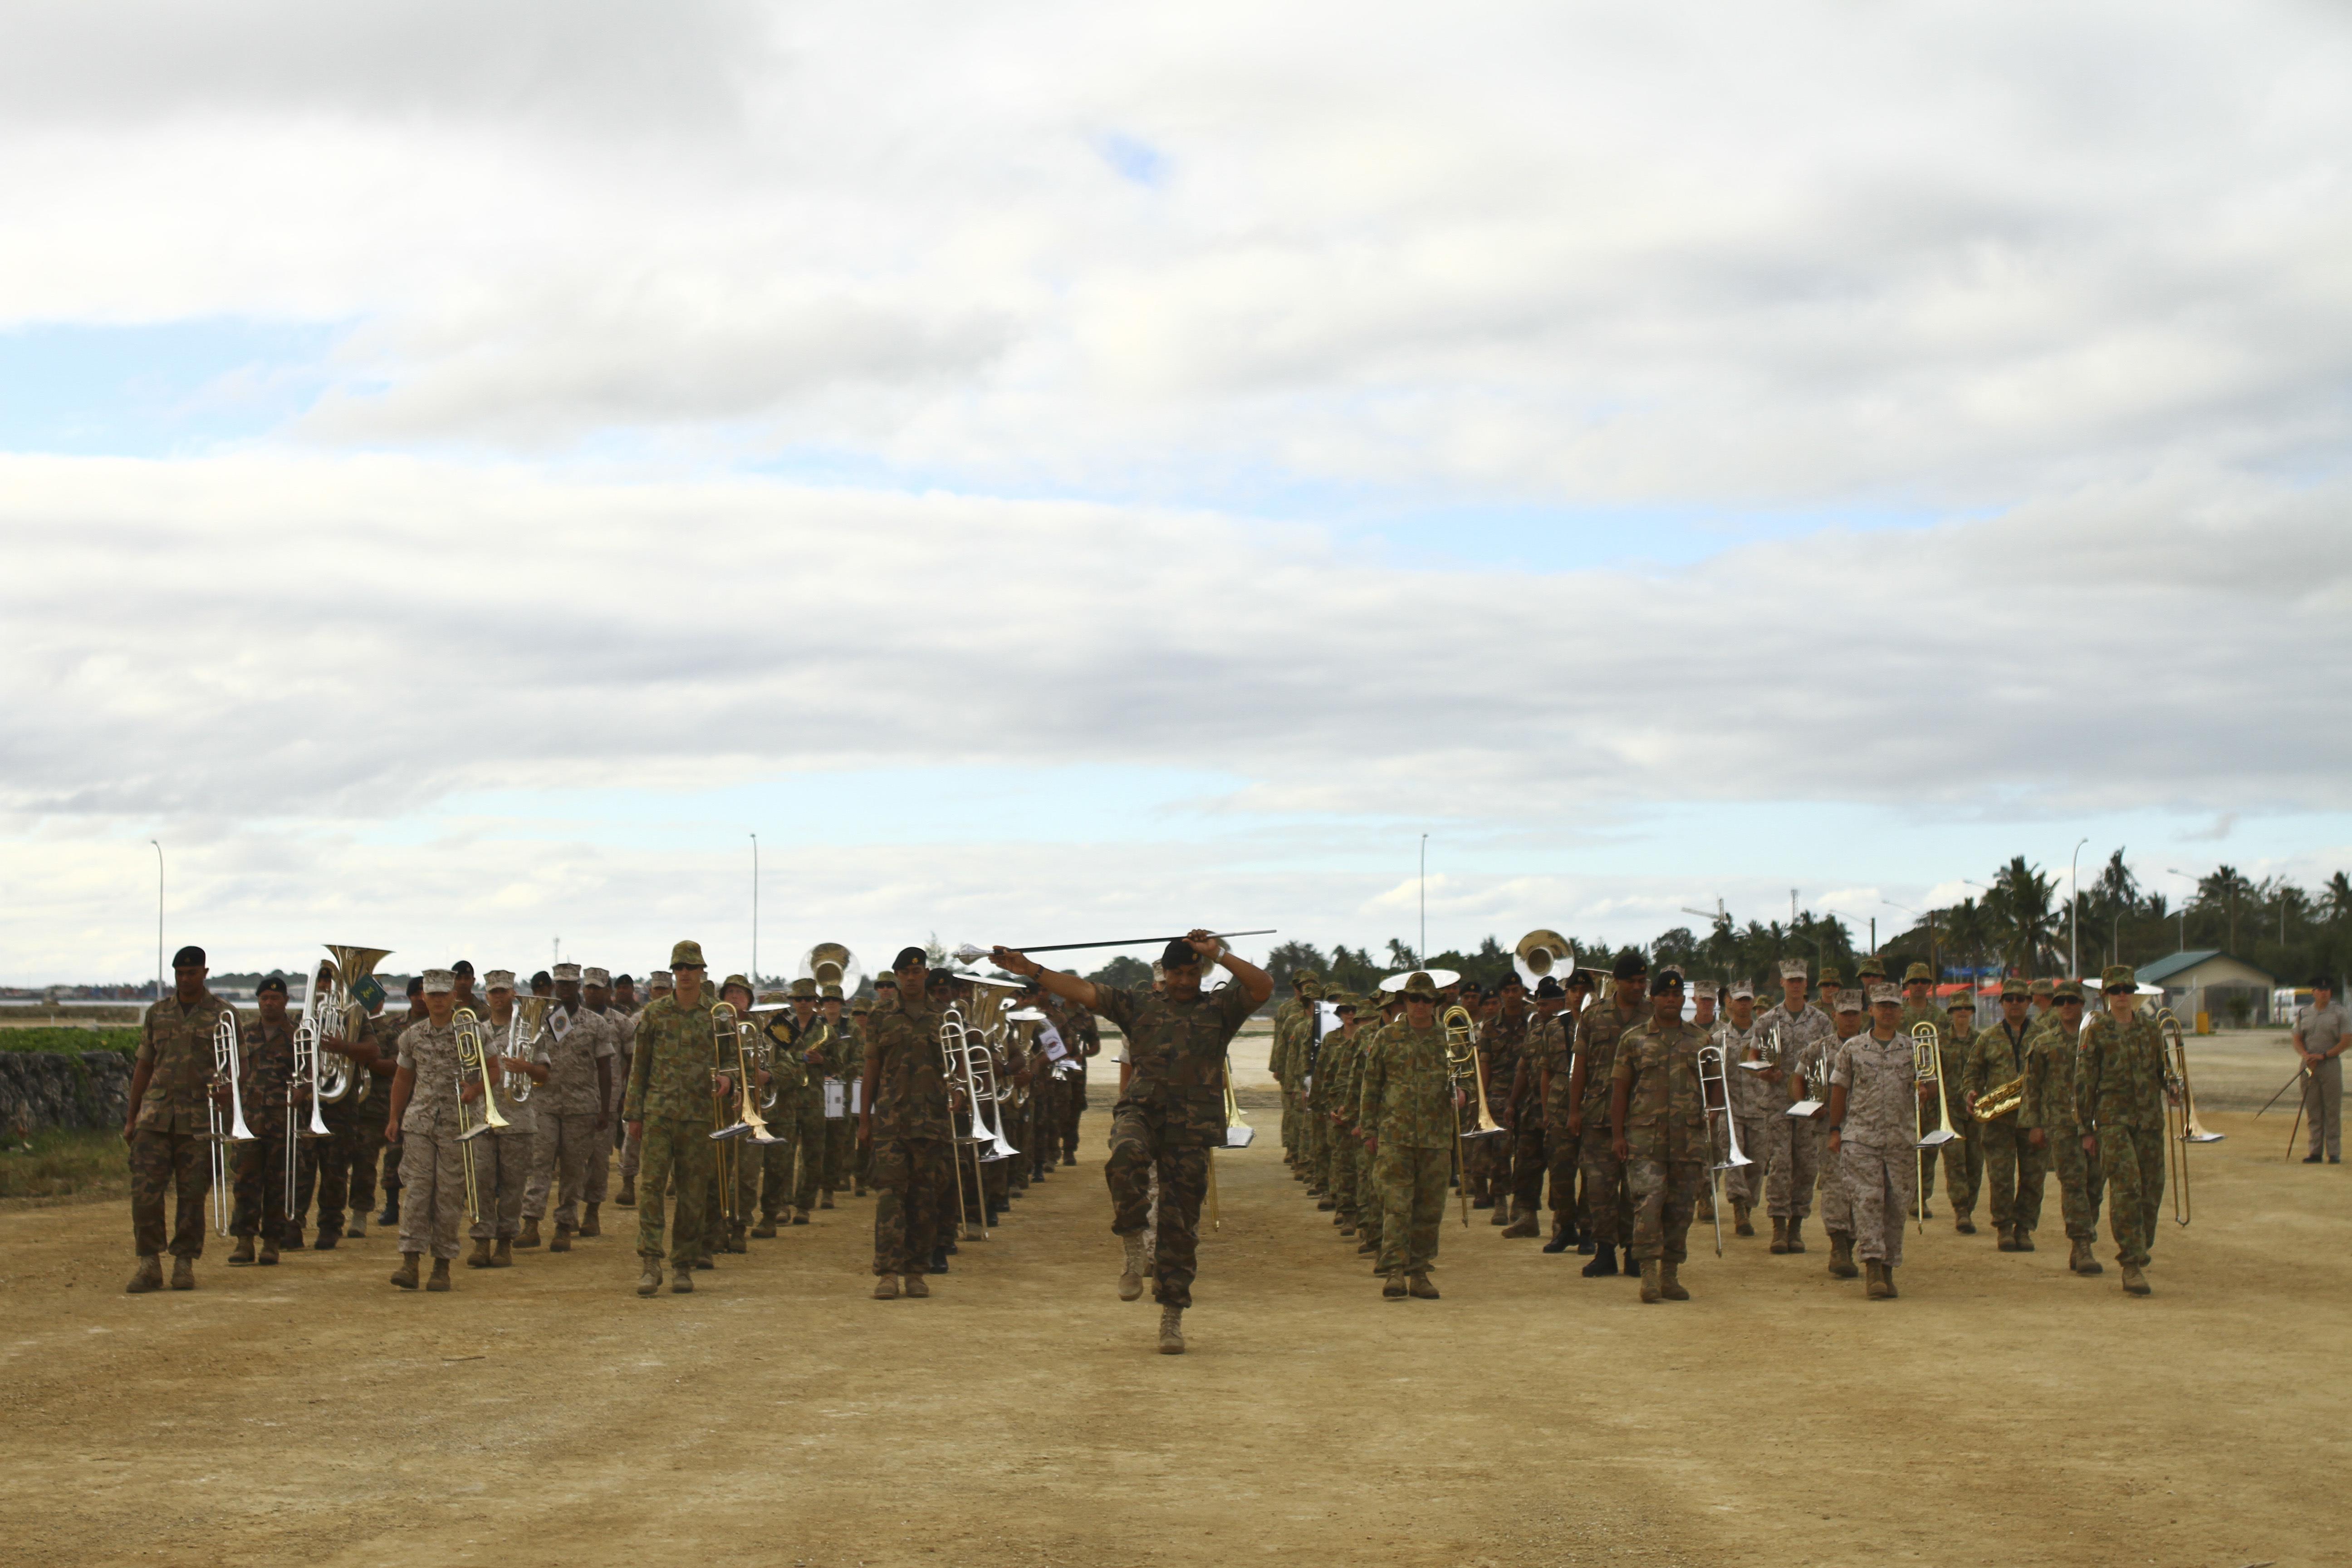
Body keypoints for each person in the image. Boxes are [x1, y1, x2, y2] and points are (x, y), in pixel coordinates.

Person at [997, 931, 1272, 1355]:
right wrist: (1030, 969)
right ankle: (1132, 1241)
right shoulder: (1139, 1005)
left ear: (1201, 972)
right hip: (1142, 1111)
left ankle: (1172, 1316)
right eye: (1177, 974)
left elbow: (1262, 986)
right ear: (1165, 973)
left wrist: (1217, 952)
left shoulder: (1219, 1008)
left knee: (1181, 1228)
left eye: (1192, 973)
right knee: (1125, 1155)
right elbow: (1085, 991)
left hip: (1191, 1129)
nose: (1185, 982)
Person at [122, 946, 239, 1294]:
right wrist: (131, 1119)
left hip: (202, 1120)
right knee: (144, 1193)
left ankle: (184, 1263)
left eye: (192, 973)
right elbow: (144, 1066)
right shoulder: (158, 1013)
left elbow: (241, 1065)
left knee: (192, 1196)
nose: (185, 979)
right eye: (180, 974)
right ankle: (149, 1265)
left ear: (205, 973)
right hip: (155, 1117)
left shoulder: (224, 1014)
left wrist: (230, 1090)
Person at [623, 942, 725, 1296]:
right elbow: (640, 1066)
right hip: (659, 1113)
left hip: (699, 1116)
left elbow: (731, 1061)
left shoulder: (717, 1015)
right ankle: (651, 1263)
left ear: (702, 972)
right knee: (652, 1187)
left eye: (691, 967)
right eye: (679, 967)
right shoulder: (655, 1013)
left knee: (693, 1192)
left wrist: (728, 1079)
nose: (685, 973)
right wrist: (634, 1114)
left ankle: (683, 1263)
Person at [1609, 968, 1709, 1303]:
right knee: (1648, 1206)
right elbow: (1620, 1090)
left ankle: (1670, 1274)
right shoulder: (1634, 1039)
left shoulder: (1701, 1040)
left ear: (1684, 999)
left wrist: (1713, 1120)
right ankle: (1648, 1274)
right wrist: (1618, 1135)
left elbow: (1714, 1088)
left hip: (1688, 1141)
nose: (1670, 1000)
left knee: (1681, 1209)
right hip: (1645, 1140)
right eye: (1664, 994)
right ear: (1653, 999)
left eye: (1676, 995)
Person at [861, 947, 955, 1300]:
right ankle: (888, 1273)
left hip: (932, 1122)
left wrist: (960, 1092)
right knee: (889, 1199)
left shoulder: (945, 1016)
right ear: (897, 976)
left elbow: (957, 1066)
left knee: (925, 1200)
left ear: (926, 974)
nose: (912, 978)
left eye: (917, 972)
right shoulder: (881, 1016)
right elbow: (871, 1068)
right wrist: (864, 1120)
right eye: (905, 973)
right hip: (891, 1122)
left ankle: (916, 1272)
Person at [1357, 971, 1455, 1300]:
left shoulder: (1449, 1038)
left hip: (1436, 1138)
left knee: (1429, 1210)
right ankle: (1395, 1272)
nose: (1420, 1005)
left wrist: (1464, 1095)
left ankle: (1420, 1272)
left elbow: (1466, 1081)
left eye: (1427, 999)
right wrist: (1369, 1130)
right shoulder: (1387, 1037)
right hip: (1395, 1136)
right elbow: (1371, 1086)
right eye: (1414, 999)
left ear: (1435, 1003)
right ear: (1405, 1001)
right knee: (1396, 1206)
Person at [382, 968, 479, 1292]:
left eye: (443, 994)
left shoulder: (472, 1031)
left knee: (449, 1195)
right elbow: (403, 1078)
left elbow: (493, 1070)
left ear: (454, 997)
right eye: (432, 994)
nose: (438, 1000)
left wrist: (475, 1091)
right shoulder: (412, 1036)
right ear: (424, 997)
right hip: (420, 1123)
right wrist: (394, 1117)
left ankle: (442, 1265)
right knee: (418, 1191)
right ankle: (410, 1262)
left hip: (458, 1124)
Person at [2077, 965, 2171, 1295]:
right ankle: (2131, 1263)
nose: (2122, 996)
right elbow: (2085, 1082)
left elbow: (2162, 1071)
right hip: (2113, 1121)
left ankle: (2141, 1247)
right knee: (2127, 1187)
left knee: (2152, 1189)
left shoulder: (2151, 1030)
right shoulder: (2097, 1031)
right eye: (2115, 990)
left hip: (2150, 1121)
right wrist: (2086, 1129)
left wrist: (2173, 1088)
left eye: (2127, 990)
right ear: (2105, 994)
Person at [1826, 983, 1920, 1299]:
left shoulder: (1914, 1049)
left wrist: (1927, 1091)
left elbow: (1931, 1087)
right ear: (1872, 1011)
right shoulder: (1853, 1049)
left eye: (1893, 1006)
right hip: (1861, 1139)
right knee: (1867, 1203)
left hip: (1901, 1141)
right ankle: (1874, 1268)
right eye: (1882, 1006)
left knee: (1896, 1207)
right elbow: (1839, 1090)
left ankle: (1889, 1268)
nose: (1888, 1011)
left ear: (1901, 1012)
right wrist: (1834, 1130)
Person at [522, 963, 616, 1253]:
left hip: (581, 1106)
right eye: (559, 984)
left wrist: (605, 1109)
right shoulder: (539, 1021)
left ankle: (564, 1225)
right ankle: (531, 1223)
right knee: (539, 1164)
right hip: (545, 1104)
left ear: (578, 987)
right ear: (554, 986)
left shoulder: (596, 1024)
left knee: (574, 1169)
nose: (564, 989)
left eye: (569, 984)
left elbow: (605, 1068)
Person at [1567, 951, 1649, 1277]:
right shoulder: (1594, 1017)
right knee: (1600, 1188)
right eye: (1632, 981)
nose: (1638, 987)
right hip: (1599, 1115)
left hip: (1641, 1116)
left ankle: (1633, 1252)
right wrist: (1574, 1110)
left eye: (1642, 981)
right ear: (1617, 982)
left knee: (1635, 1189)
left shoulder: (1654, 1016)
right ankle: (1604, 1251)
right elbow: (1580, 1067)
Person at [2021, 981, 2104, 1275]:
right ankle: (2082, 1244)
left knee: (2095, 1186)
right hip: (2061, 1125)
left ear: (2082, 1004)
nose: (2066, 1006)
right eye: (2060, 1002)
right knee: (2073, 1184)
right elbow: (2032, 1087)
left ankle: (2082, 1239)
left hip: (2096, 1123)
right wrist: (2034, 1125)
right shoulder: (2044, 1043)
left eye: (2071, 1001)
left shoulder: (2098, 1040)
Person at [1749, 959, 1832, 1256]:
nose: (1796, 985)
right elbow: (1753, 1057)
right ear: (1782, 983)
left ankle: (1797, 1226)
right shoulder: (1767, 1020)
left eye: (1800, 980)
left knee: (1807, 1166)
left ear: (1806, 983)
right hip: (1778, 1103)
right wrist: (1763, 1072)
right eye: (1791, 980)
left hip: (1810, 1103)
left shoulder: (1821, 1021)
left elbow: (1830, 1057)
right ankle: (1779, 1227)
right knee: (1781, 1164)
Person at [467, 972, 546, 1269]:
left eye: (503, 991)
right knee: (481, 1182)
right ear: (486, 996)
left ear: (513, 994)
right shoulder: (476, 1031)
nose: (498, 997)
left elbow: (545, 1074)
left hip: (518, 1119)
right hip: (482, 1119)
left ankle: (504, 1243)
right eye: (493, 992)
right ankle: (481, 1241)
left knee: (513, 1185)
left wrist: (526, 1067)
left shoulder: (529, 1029)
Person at [1963, 978, 2043, 1251]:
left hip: (2034, 1118)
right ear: (2002, 1004)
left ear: (2029, 1003)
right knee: (2000, 1176)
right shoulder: (1987, 1038)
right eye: (2009, 999)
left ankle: (2025, 1229)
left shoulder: (2044, 1036)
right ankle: (2005, 1228)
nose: (2015, 1004)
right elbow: (1972, 1072)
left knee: (2033, 1177)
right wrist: (1970, 1092)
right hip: (1999, 1119)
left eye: (2021, 999)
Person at [229, 975, 299, 1266]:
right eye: (264, 999)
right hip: (249, 1120)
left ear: (286, 1001)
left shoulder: (298, 1036)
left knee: (278, 1182)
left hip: (283, 1120)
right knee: (245, 1180)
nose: (269, 1003)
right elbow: (231, 1074)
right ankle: (244, 1241)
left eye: (275, 998)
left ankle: (272, 1242)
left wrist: (304, 1093)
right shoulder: (244, 1034)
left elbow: (311, 1075)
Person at [1535, 969, 1594, 1252]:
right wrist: (1546, 1111)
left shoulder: (1600, 1026)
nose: (1579, 995)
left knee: (1592, 1173)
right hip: (1559, 1107)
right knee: (1560, 1171)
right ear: (1567, 995)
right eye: (1574, 990)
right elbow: (1546, 1071)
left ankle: (1588, 1230)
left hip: (1593, 1106)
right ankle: (1565, 1227)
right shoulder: (1554, 1028)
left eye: (1585, 990)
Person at [1712, 979, 1772, 1238]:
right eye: (1739, 1000)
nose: (1744, 1005)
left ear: (1753, 1001)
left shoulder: (1765, 1036)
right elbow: (1712, 1077)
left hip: (1760, 1108)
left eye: (1748, 1000)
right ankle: (1738, 1208)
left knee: (1757, 1165)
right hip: (1731, 1109)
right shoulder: (1718, 1038)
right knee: (1734, 1160)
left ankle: (1748, 1205)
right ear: (1730, 1002)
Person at [1818, 991, 1867, 1279]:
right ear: (1834, 1015)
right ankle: (1838, 1247)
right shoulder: (1819, 1048)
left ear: (1863, 1015)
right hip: (1832, 1128)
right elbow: (1798, 1078)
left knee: (1863, 1191)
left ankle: (1851, 1245)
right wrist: (1807, 1104)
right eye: (1844, 1013)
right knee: (1836, 1188)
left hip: (1866, 1129)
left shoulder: (1870, 1046)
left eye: (1854, 1013)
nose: (1849, 1018)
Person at [2292, 976, 2346, 1164]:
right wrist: (2306, 1055)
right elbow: (2297, 1038)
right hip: (2309, 1066)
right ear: (2313, 992)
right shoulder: (2304, 1013)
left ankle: (2334, 1152)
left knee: (2332, 1109)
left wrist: (2324, 1055)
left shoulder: (2340, 1013)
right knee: (2313, 1108)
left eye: (2327, 990)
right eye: (2321, 990)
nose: (2324, 993)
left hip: (2330, 1065)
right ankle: (2315, 1152)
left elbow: (2347, 1040)